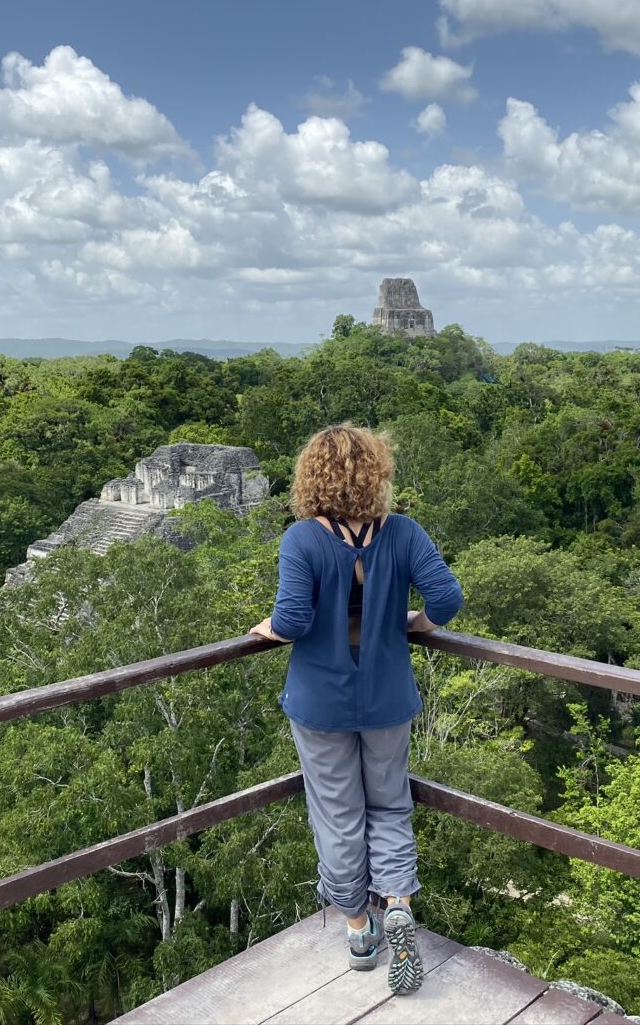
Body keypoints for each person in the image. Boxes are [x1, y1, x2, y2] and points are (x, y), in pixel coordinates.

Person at [249, 423, 463, 995]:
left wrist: (269, 628)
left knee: (337, 813)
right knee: (390, 805)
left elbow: (291, 620)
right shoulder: (405, 533)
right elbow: (447, 598)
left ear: (310, 478)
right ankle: (396, 900)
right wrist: (417, 625)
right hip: (388, 695)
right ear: (377, 474)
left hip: (321, 701)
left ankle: (359, 931)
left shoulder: (302, 539)